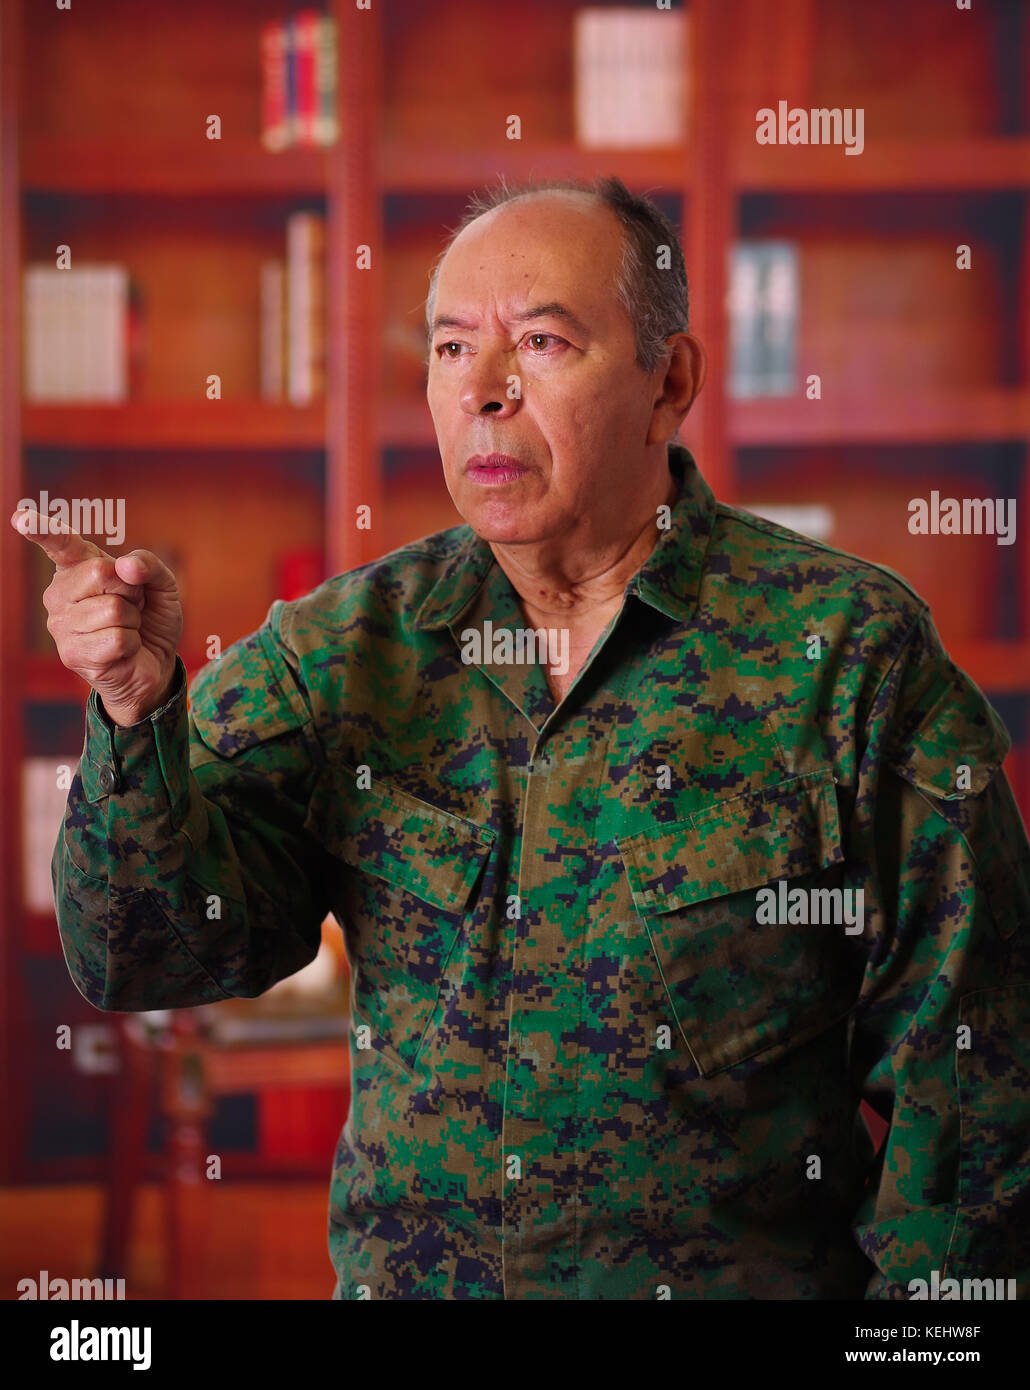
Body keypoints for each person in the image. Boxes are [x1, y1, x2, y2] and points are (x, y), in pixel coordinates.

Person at [12, 175, 1030, 1301]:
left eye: (540, 342)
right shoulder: (348, 647)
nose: (483, 392)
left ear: (669, 381)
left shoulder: (844, 654)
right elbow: (142, 951)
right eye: (450, 350)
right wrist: (133, 711)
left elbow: (978, 1095)